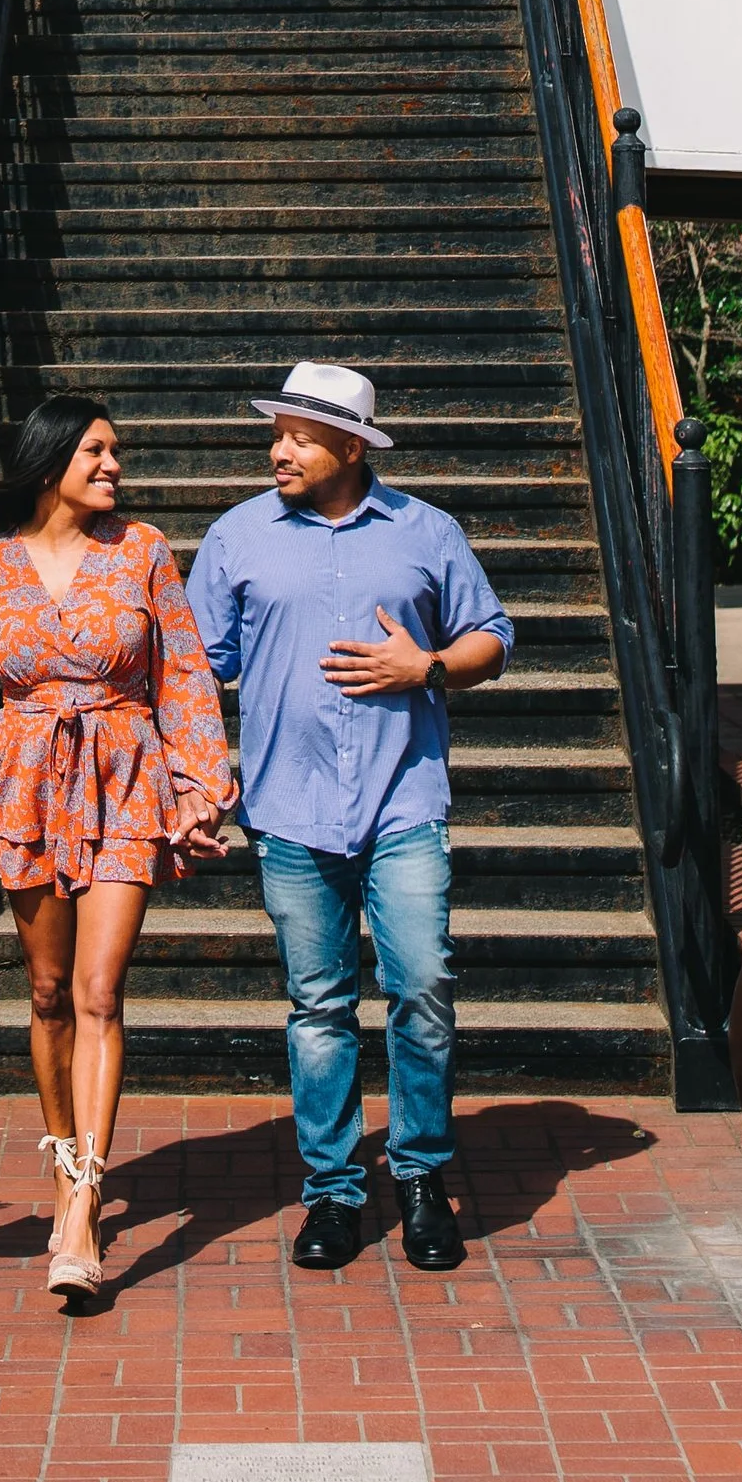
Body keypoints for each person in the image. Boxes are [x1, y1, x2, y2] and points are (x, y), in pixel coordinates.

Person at [0, 392, 235, 1302]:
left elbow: (184, 677)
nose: (114, 467)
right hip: (21, 790)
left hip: (128, 778)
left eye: (117, 453)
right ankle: (62, 1169)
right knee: (47, 993)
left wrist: (202, 789)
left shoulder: (142, 554)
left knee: (99, 990)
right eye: (97, 451)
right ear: (49, 462)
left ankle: (84, 1207)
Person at [187, 360, 510, 1275]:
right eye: (277, 430)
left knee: (422, 993)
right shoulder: (237, 537)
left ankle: (421, 1180)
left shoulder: (425, 532)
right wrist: (195, 781)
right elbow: (193, 671)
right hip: (288, 810)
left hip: (404, 801)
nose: (277, 448)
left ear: (352, 445)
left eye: (297, 434)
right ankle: (332, 1192)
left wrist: (430, 669)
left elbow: (495, 634)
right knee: (319, 1008)